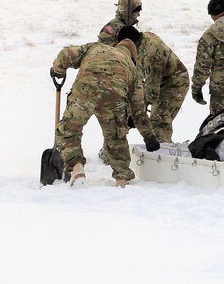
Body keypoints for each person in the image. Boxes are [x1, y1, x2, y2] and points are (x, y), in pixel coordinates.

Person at [50, 26, 160, 187]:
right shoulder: (132, 68)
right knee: (116, 138)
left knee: (68, 131)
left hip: (84, 92)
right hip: (113, 99)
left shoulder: (95, 47)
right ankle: (122, 179)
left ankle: (77, 167)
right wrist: (149, 137)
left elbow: (66, 54)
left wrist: (58, 70)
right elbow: (138, 111)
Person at [135, 30, 189, 143]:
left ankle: (162, 152)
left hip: (175, 83)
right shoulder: (142, 40)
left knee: (159, 122)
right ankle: (165, 147)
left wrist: (139, 110)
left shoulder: (151, 55)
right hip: (163, 82)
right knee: (158, 119)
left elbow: (151, 92)